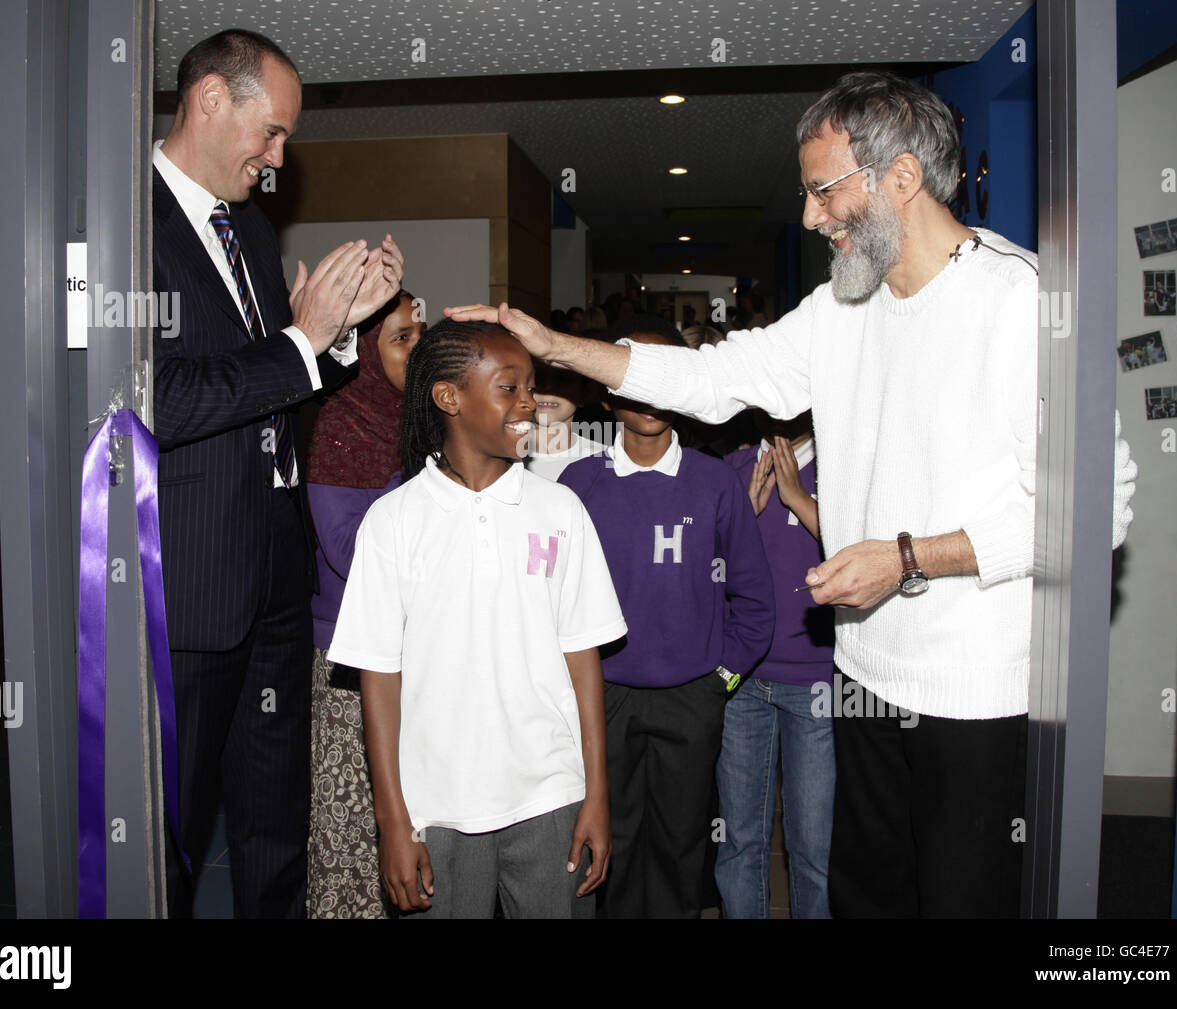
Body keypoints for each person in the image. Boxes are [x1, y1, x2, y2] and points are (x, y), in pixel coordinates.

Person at [447, 70, 1137, 918]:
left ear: (901, 179)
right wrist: (561, 347)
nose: (810, 216)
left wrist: (912, 557)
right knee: (862, 897)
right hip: (864, 679)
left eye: (821, 190)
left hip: (979, 698)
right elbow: (712, 378)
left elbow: (1097, 507)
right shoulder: (842, 308)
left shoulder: (1022, 300)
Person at [152, 28, 403, 918]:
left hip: (274, 583)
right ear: (210, 99)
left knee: (274, 829)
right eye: (273, 132)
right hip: (185, 589)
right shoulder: (121, 220)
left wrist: (343, 337)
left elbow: (272, 385)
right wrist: (304, 342)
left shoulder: (251, 232)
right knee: (169, 836)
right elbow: (162, 399)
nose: (278, 156)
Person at [328, 320, 625, 918]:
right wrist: (394, 822)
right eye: (509, 388)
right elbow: (379, 678)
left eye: (532, 387)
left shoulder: (560, 509)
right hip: (435, 808)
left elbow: (583, 658)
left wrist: (596, 793)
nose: (528, 404)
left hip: (550, 798)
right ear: (449, 398)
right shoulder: (393, 522)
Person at [557, 314, 775, 919]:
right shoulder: (580, 483)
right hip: (605, 700)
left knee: (683, 849)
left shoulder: (714, 482)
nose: (650, 396)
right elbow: (557, 602)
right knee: (612, 844)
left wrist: (719, 683)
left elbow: (754, 601)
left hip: (692, 698)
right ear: (608, 391)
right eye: (637, 380)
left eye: (664, 379)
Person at [305, 288, 421, 918]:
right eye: (400, 338)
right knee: (352, 823)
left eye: (419, 334)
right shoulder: (341, 421)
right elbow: (348, 550)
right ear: (368, 352)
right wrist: (424, 482)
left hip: (424, 643)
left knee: (418, 818)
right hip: (352, 652)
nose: (416, 348)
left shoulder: (428, 419)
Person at [718, 414, 836, 919]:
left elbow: (866, 558)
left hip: (818, 683)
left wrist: (799, 499)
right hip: (741, 681)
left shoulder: (846, 467)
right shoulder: (734, 468)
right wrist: (741, 514)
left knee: (815, 849)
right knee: (740, 843)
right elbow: (700, 568)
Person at [524, 363, 606, 482]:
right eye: (538, 379)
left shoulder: (606, 459)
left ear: (583, 394)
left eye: (562, 380)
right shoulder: (499, 459)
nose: (548, 388)